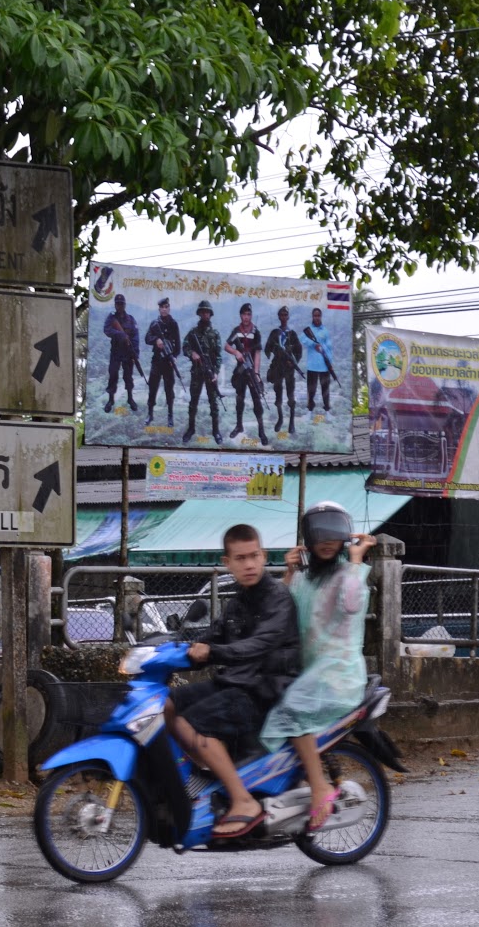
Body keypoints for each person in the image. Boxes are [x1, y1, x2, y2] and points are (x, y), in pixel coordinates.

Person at [164, 523, 301, 840]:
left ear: (264, 556)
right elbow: (210, 637)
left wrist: (212, 651)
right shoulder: (238, 602)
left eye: (254, 556)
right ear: (227, 563)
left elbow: (257, 646)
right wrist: (168, 649)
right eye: (240, 558)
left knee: (191, 723)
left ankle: (243, 800)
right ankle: (203, 776)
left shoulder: (278, 598)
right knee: (165, 704)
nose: (249, 564)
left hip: (264, 689)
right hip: (236, 683)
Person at [261, 502, 375, 832]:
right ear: (307, 539)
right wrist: (289, 573)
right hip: (309, 671)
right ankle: (291, 781)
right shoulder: (306, 579)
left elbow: (352, 605)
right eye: (318, 532)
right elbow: (280, 613)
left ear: (345, 536)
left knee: (291, 709)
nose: (326, 540)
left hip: (338, 674)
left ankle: (320, 785)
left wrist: (356, 560)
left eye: (333, 532)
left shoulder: (348, 575)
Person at [224, 302, 268, 445]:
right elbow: (226, 346)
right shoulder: (236, 330)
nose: (246, 317)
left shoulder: (256, 332)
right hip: (240, 370)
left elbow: (257, 353)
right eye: (244, 314)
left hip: (251, 369)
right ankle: (239, 425)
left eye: (249, 314)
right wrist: (236, 352)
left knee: (257, 400)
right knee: (239, 399)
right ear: (241, 315)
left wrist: (256, 372)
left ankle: (261, 430)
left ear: (251, 315)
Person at [181, 300, 224, 445]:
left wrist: (216, 372)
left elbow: (218, 355)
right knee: (193, 402)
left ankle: (216, 431)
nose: (205, 314)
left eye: (207, 312)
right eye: (203, 312)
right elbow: (185, 347)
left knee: (214, 403)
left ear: (210, 314)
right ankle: (191, 429)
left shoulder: (215, 333)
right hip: (197, 372)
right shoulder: (193, 333)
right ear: (199, 314)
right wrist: (192, 353)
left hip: (210, 371)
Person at [264, 306, 303, 434]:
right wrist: (275, 351)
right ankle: (280, 418)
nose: (283, 317)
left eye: (285, 315)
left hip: (289, 368)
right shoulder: (275, 333)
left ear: (288, 317)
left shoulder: (292, 334)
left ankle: (291, 422)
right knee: (278, 395)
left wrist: (293, 362)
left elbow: (299, 351)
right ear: (279, 317)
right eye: (281, 315)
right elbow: (267, 349)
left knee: (291, 396)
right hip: (278, 367)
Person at [144, 296, 180, 427]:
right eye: (162, 307)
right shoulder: (155, 324)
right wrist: (156, 340)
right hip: (157, 361)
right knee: (152, 388)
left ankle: (170, 416)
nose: (164, 310)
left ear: (169, 308)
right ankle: (150, 414)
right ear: (159, 309)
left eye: (166, 307)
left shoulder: (173, 324)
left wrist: (174, 357)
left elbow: (178, 347)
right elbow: (147, 338)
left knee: (169, 390)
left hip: (168, 363)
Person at [102, 293, 140, 414]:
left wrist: (136, 354)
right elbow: (107, 330)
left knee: (128, 377)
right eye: (117, 304)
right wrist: (120, 334)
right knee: (113, 375)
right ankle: (111, 400)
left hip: (128, 353)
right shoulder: (112, 318)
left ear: (124, 305)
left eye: (121, 304)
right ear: (115, 305)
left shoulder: (131, 319)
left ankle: (130, 398)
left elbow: (135, 337)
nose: (119, 306)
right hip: (116, 352)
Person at [304, 308, 336, 414]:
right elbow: (303, 340)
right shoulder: (309, 330)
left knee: (325, 390)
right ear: (312, 317)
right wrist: (314, 344)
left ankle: (327, 411)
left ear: (321, 317)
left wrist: (330, 362)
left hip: (324, 365)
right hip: (312, 365)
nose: (317, 317)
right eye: (315, 315)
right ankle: (310, 411)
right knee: (311, 390)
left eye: (318, 315)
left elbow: (329, 348)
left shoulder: (325, 331)